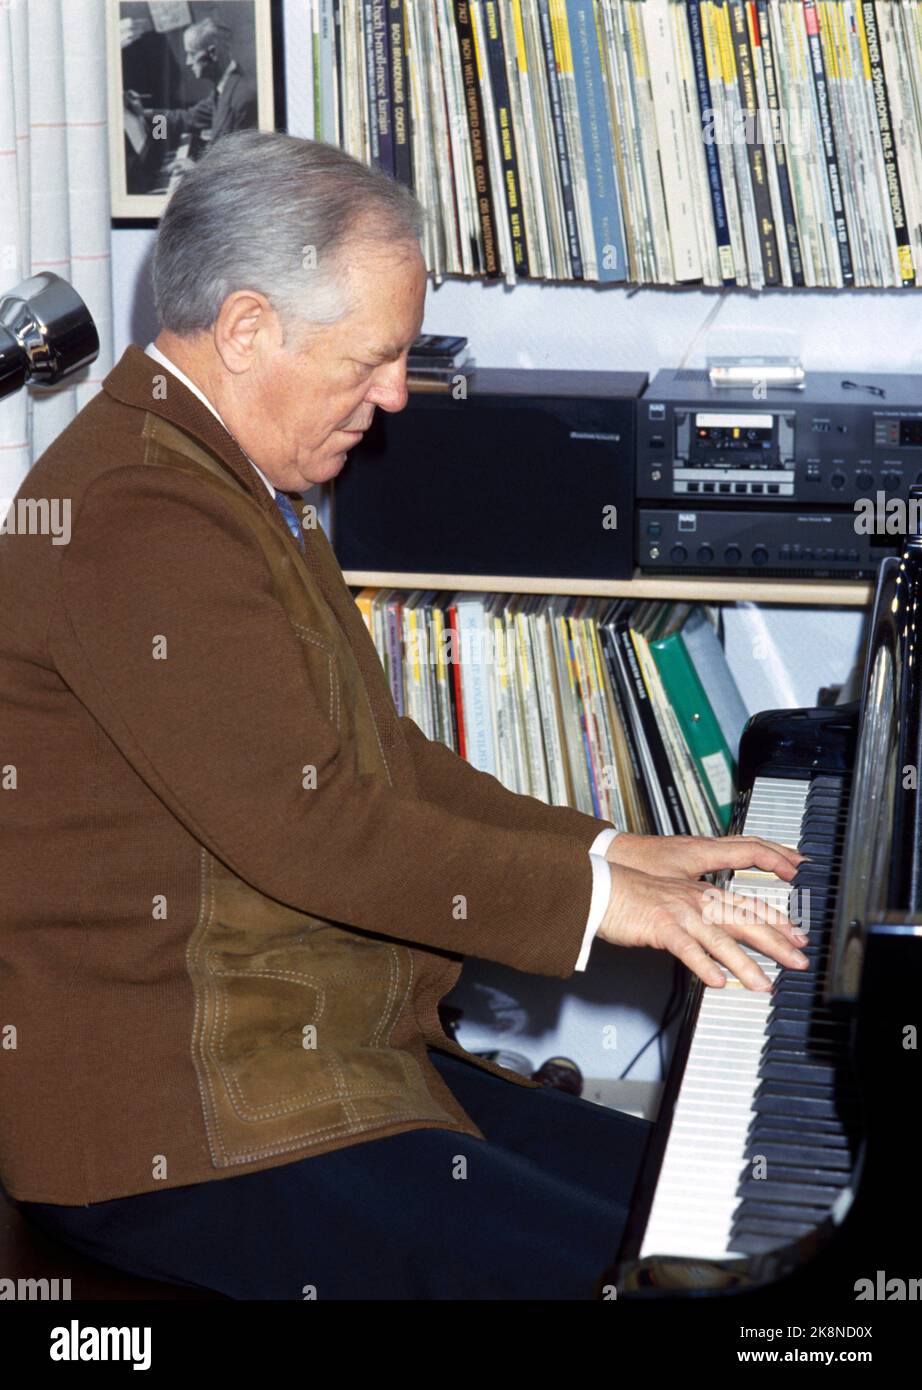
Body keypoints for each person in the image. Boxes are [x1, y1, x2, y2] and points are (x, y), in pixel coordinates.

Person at [0, 131, 809, 1300]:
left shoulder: (217, 476)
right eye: (373, 358)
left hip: (311, 1059)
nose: (392, 398)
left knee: (712, 1201)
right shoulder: (138, 512)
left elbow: (385, 763)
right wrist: (605, 905)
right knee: (665, 1279)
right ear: (244, 330)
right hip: (185, 1126)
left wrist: (613, 849)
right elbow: (311, 825)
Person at [124, 17, 258, 180]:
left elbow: (244, 170)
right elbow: (187, 118)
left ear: (213, 53)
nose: (187, 62)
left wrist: (197, 170)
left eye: (191, 54)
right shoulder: (225, 87)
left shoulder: (243, 97)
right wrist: (143, 112)